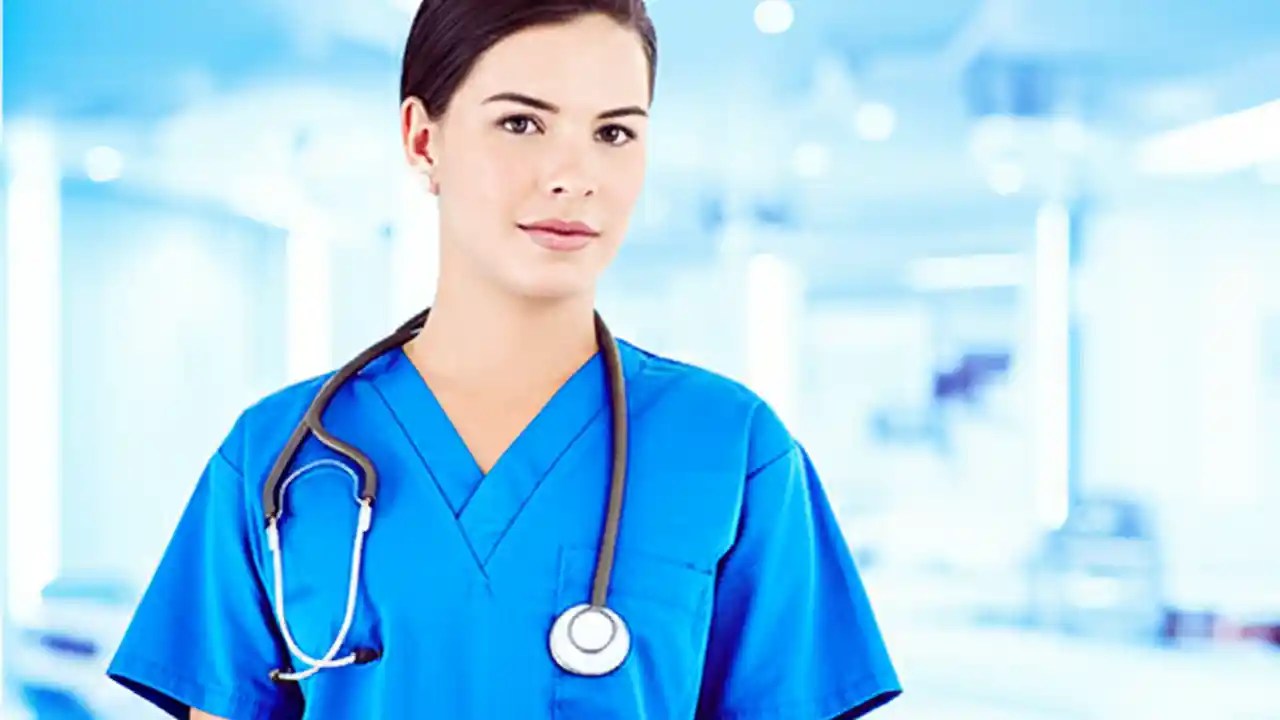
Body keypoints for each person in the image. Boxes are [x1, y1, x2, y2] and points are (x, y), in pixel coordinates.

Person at [105, 1, 902, 718]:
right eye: (522, 123)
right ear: (424, 141)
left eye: (614, 132)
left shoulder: (731, 448)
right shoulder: (276, 456)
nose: (573, 176)